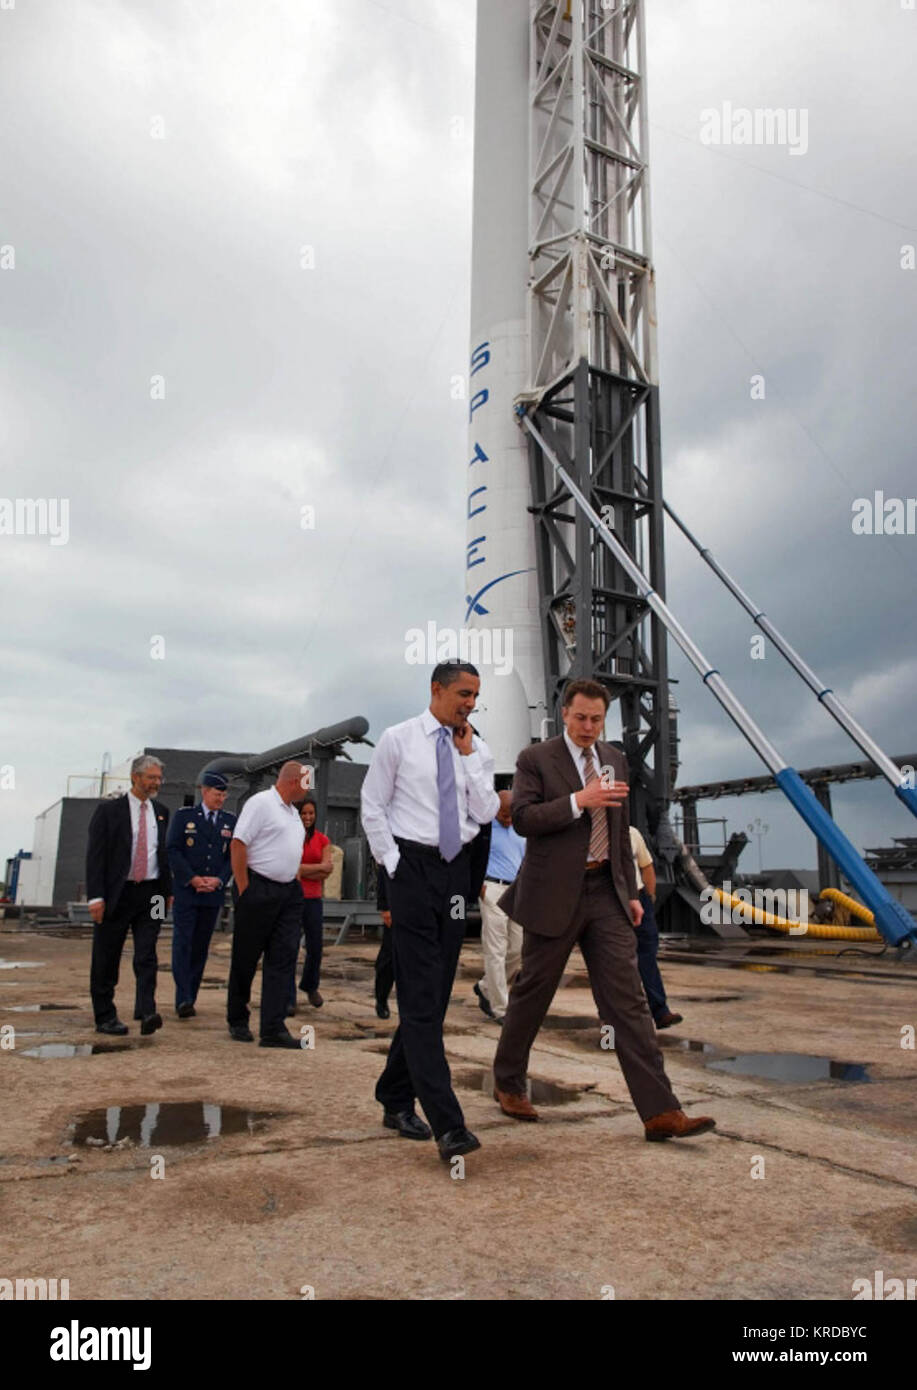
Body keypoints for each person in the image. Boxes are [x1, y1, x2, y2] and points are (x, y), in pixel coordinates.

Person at [492, 678, 716, 1142]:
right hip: (553, 894)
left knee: (629, 1001)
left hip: (605, 894)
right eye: (581, 718)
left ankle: (660, 1112)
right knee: (533, 992)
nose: (589, 727)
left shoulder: (614, 759)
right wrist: (579, 800)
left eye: (597, 719)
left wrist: (631, 891)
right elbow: (526, 819)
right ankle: (508, 1082)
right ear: (564, 713)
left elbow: (619, 827)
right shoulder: (534, 760)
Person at [360, 660, 500, 1162]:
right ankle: (449, 1124)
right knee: (420, 996)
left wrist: (468, 759)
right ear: (436, 690)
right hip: (412, 870)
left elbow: (484, 814)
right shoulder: (398, 739)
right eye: (463, 693)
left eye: (476, 694)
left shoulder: (476, 747)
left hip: (454, 874)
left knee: (435, 997)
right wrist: (393, 863)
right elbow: (371, 804)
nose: (470, 702)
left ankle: (394, 1096)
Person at [86, 754, 172, 1037]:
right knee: (107, 955)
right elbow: (96, 858)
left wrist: (167, 892)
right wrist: (96, 897)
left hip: (153, 895)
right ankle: (105, 1016)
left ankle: (147, 1011)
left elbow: (162, 854)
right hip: (118, 894)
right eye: (151, 778)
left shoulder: (161, 811)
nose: (156, 783)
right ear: (135, 777)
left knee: (148, 954)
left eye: (159, 778)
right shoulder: (109, 812)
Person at [226, 761, 306, 1048]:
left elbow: (291, 850)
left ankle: (272, 1028)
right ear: (293, 781)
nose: (308, 788)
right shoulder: (260, 803)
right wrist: (244, 888)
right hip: (258, 889)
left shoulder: (294, 814)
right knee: (246, 957)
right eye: (306, 782)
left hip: (288, 895)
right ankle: (237, 1018)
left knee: (283, 959)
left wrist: (293, 879)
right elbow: (238, 843)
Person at [165, 771, 236, 1019]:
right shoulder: (185, 817)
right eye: (218, 794)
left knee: (200, 947)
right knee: (182, 943)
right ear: (205, 792)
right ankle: (182, 996)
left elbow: (232, 857)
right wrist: (191, 878)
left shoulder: (229, 821)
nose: (222, 799)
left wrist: (219, 880)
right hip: (187, 891)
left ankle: (190, 996)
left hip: (212, 894)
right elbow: (173, 850)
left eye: (224, 794)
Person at [473, 789, 524, 1024]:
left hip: (516, 890)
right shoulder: (483, 830)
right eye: (504, 814)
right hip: (492, 888)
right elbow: (471, 857)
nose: (508, 819)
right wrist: (478, 885)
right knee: (496, 950)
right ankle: (501, 1008)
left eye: (511, 815)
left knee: (518, 947)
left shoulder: (521, 830)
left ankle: (485, 987)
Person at [630, 825, 682, 1030]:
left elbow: (647, 866)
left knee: (647, 957)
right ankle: (610, 1027)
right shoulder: (587, 836)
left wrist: (650, 898)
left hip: (639, 897)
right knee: (611, 967)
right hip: (611, 901)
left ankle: (660, 1012)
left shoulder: (633, 833)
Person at [287, 795, 332, 1015]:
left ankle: (310, 985)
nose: (307, 817)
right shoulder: (290, 837)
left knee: (315, 946)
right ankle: (288, 997)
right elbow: (290, 866)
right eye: (304, 813)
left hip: (314, 898)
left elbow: (328, 868)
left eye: (311, 813)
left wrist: (302, 870)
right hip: (292, 897)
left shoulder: (322, 840)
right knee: (290, 946)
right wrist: (315, 870)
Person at [374, 867, 394, 1019]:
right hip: (398, 905)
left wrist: (457, 918)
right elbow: (384, 869)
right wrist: (384, 906)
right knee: (389, 959)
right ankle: (381, 998)